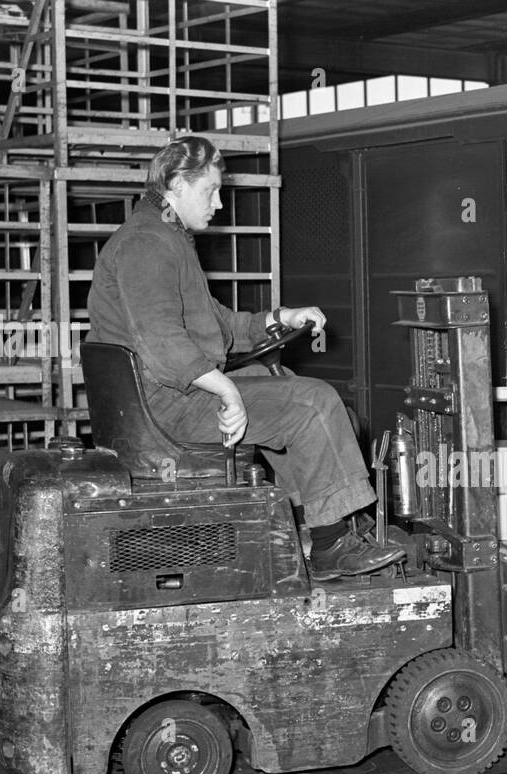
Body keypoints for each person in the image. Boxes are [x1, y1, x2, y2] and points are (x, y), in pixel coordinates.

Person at [87, 135, 404, 580]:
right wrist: (226, 390)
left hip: (159, 399)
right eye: (209, 191)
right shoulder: (148, 244)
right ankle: (332, 545)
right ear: (176, 184)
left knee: (283, 381)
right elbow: (163, 345)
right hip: (162, 409)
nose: (218, 203)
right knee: (314, 402)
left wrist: (281, 317)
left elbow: (219, 327)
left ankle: (306, 524)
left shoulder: (164, 237)